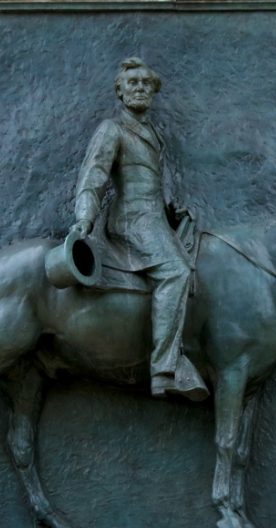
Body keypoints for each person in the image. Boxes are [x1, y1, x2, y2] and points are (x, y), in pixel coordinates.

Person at [70, 57, 209, 402]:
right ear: (119, 91)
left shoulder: (153, 133)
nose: (140, 88)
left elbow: (151, 182)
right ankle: (165, 369)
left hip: (155, 218)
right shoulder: (111, 129)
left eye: (147, 84)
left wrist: (171, 210)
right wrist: (85, 218)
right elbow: (94, 178)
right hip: (131, 221)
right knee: (176, 271)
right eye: (132, 83)